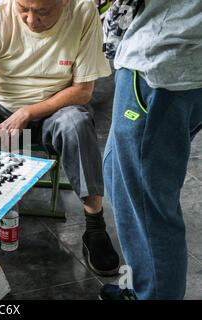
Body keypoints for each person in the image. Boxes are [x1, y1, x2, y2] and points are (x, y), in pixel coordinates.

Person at [0, 0, 120, 276]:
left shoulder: (83, 10)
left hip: (55, 108)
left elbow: (82, 91)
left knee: (77, 123)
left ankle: (95, 227)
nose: (32, 20)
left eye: (43, 11)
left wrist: (27, 112)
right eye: (24, 9)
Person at [100, 0, 202, 300]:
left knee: (148, 205)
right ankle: (143, 284)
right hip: (178, 59)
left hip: (162, 63)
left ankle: (154, 293)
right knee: (118, 175)